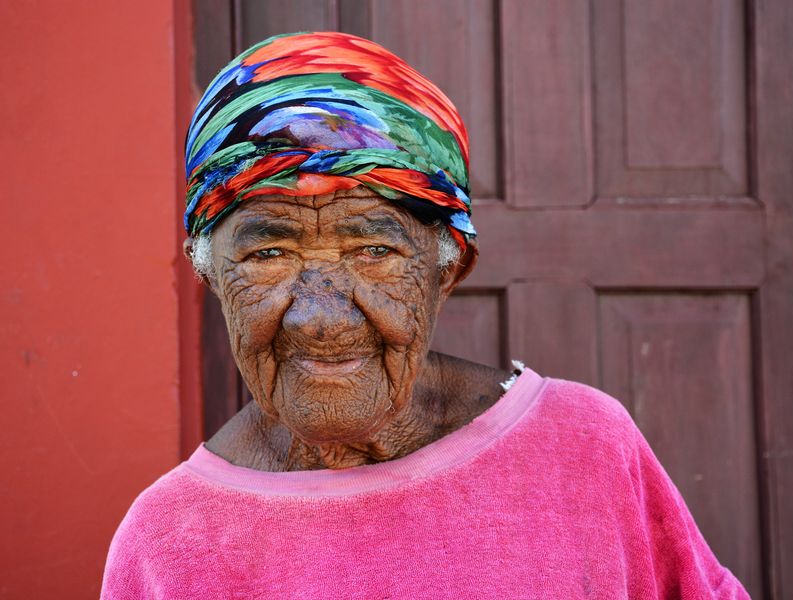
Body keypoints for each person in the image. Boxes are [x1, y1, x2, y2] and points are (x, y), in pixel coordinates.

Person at [101, 32, 749, 599]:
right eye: (268, 253)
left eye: (373, 250)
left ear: (447, 268)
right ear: (209, 271)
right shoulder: (167, 538)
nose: (321, 320)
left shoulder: (585, 448)